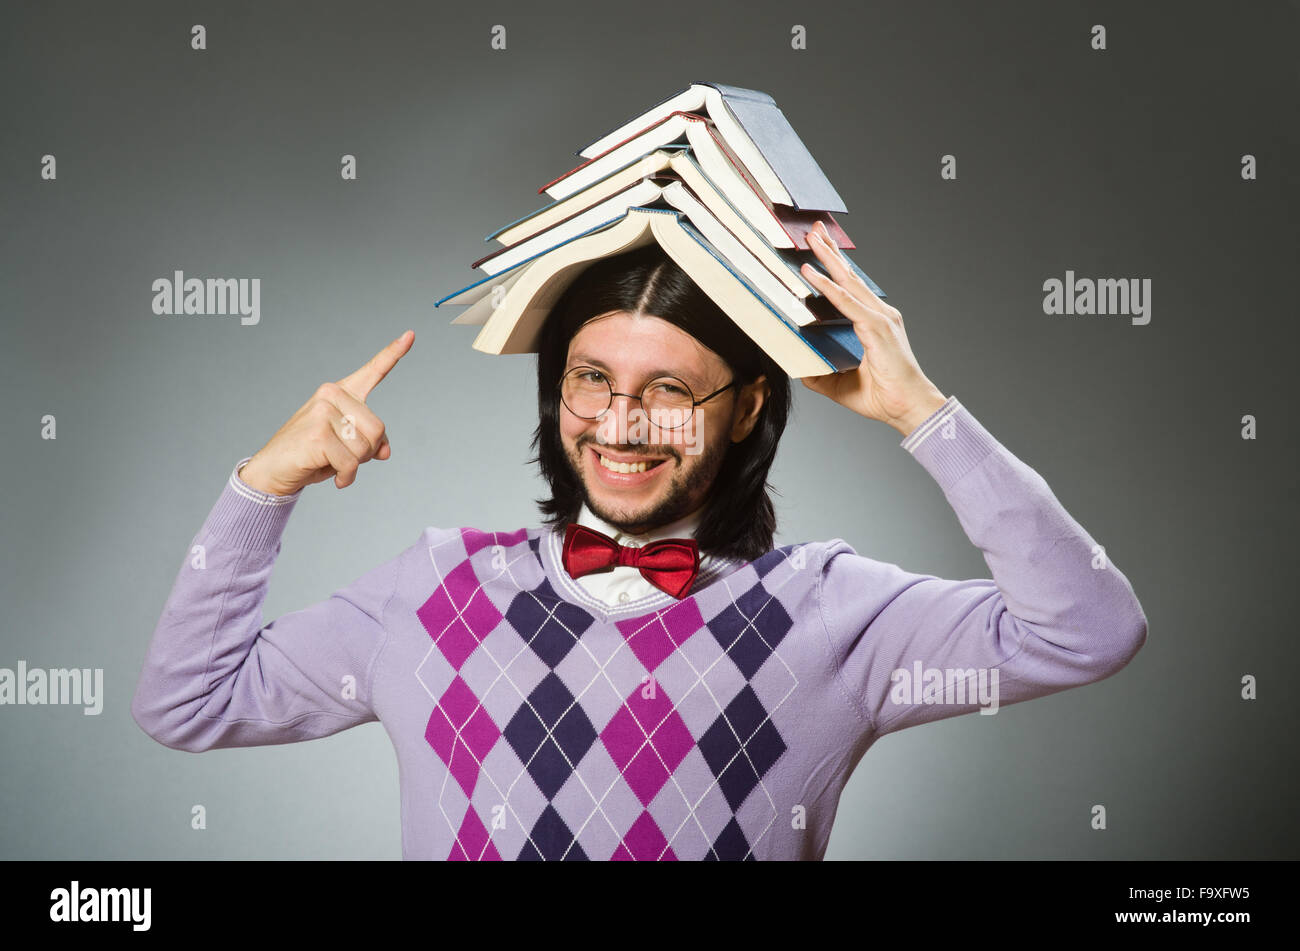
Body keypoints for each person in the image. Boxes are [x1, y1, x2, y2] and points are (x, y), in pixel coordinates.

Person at [131, 220, 1147, 860]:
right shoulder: (436, 591)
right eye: (590, 380)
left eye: (668, 391)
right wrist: (263, 486)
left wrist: (923, 414)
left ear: (748, 406)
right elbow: (187, 702)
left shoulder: (835, 614)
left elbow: (1087, 630)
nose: (619, 426)